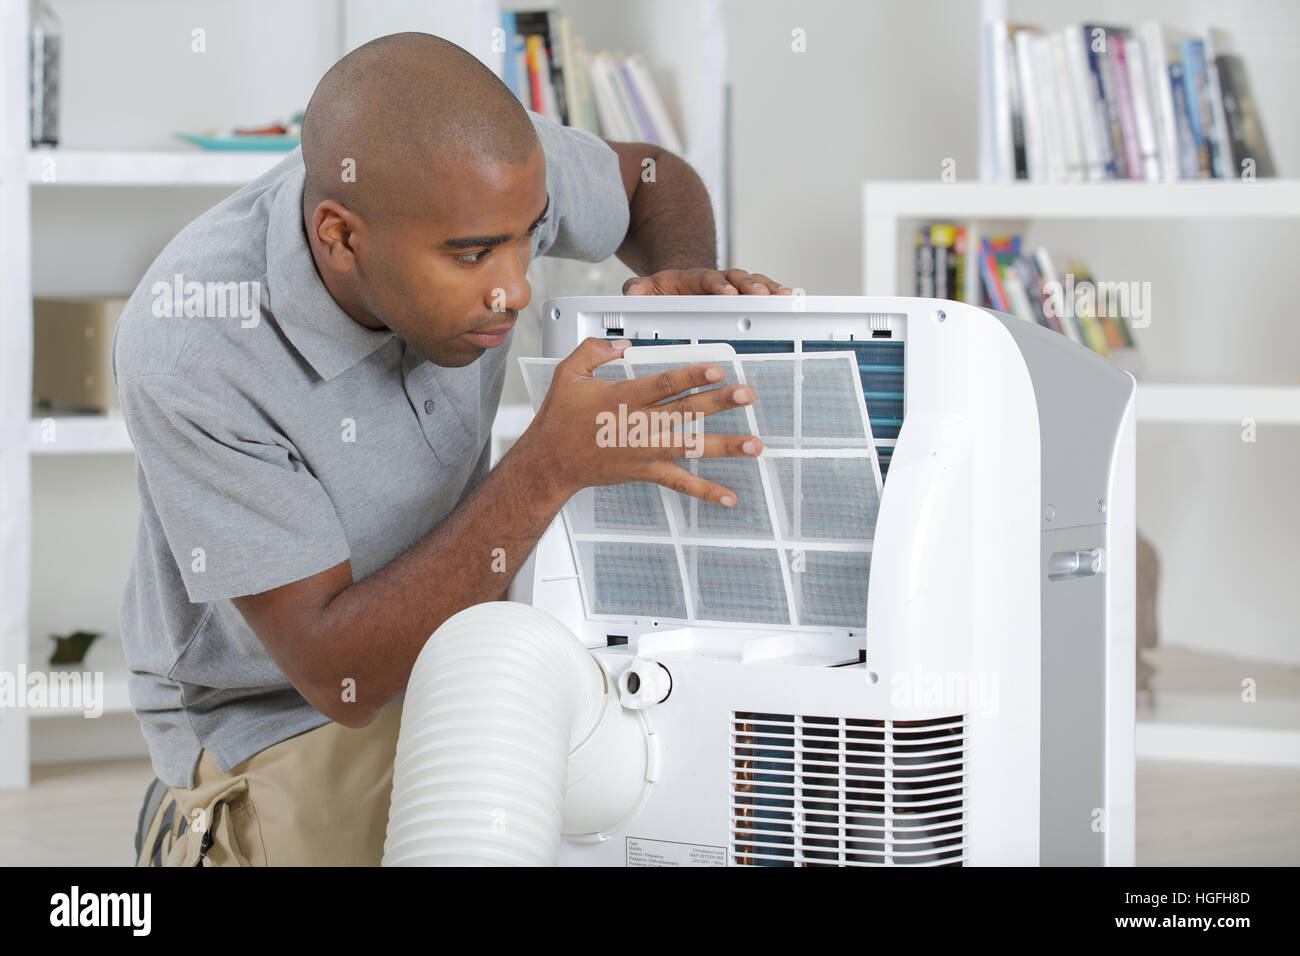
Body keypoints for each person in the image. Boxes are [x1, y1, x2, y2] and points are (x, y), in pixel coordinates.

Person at [122, 31, 789, 866]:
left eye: (529, 236)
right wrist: (549, 466)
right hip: (286, 710)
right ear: (341, 236)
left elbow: (652, 178)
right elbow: (339, 673)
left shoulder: (490, 182)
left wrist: (681, 274)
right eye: (471, 255)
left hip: (457, 634)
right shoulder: (195, 349)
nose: (513, 287)